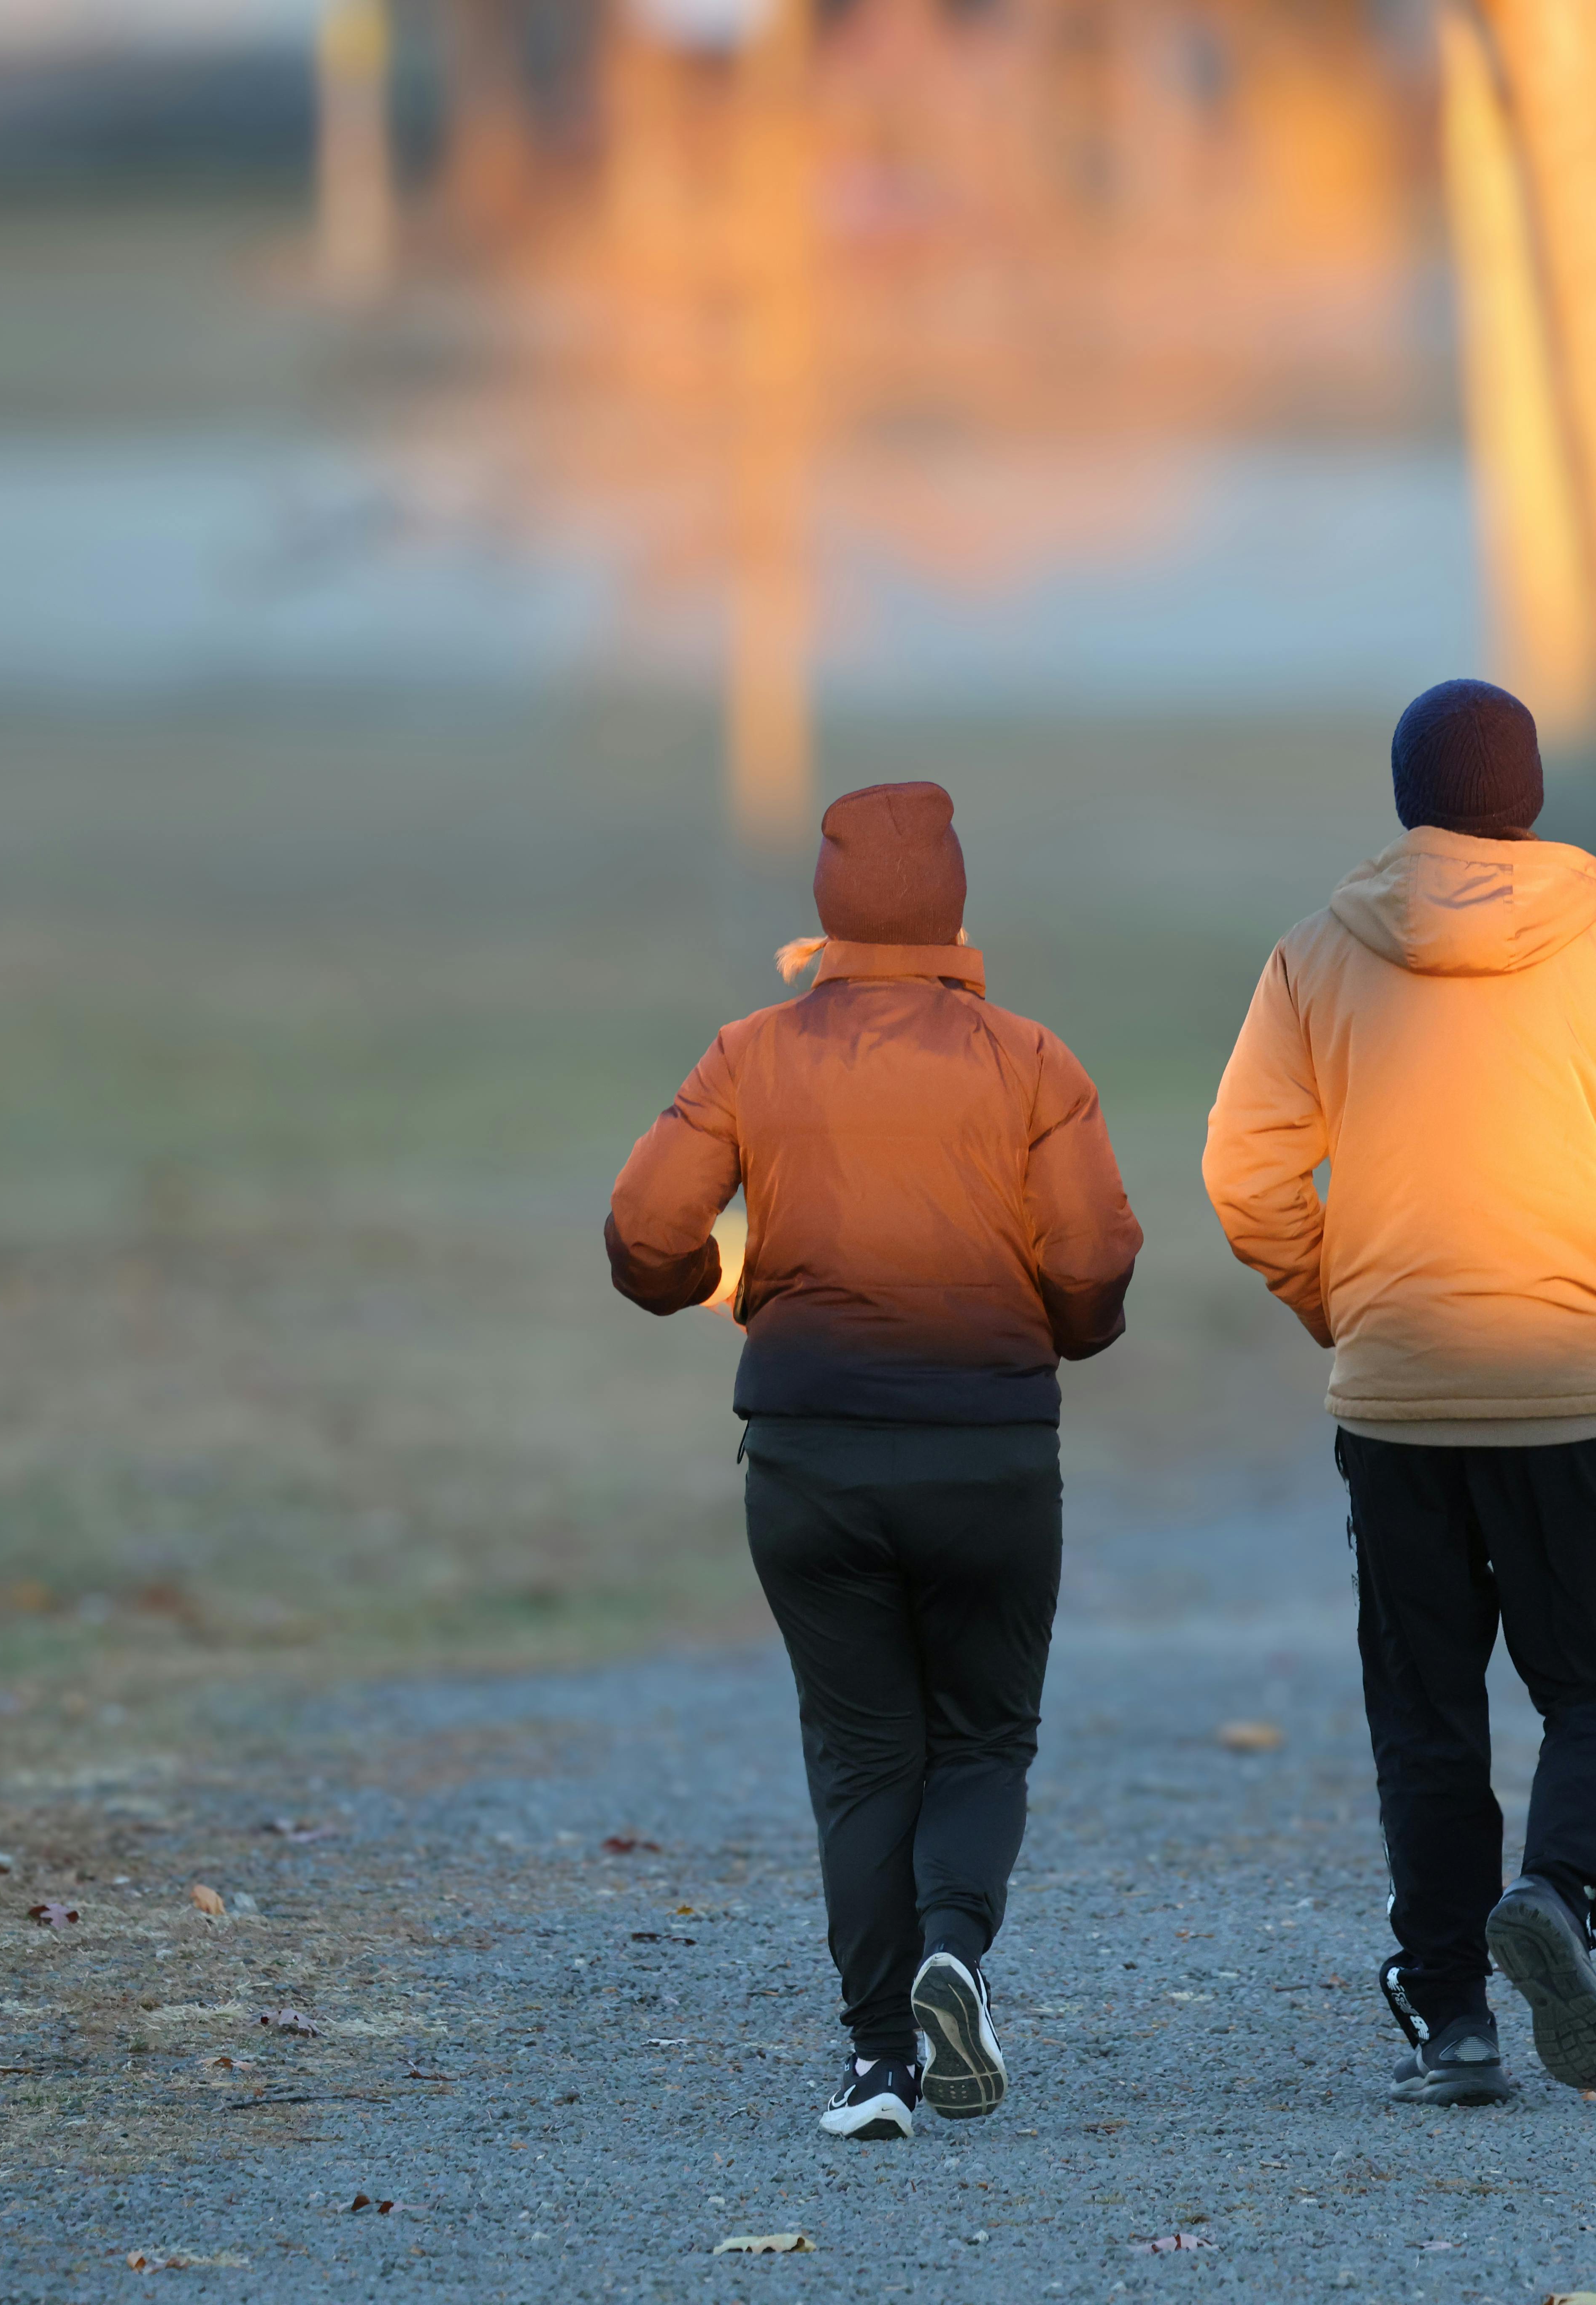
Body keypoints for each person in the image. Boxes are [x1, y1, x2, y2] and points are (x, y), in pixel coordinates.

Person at [1202, 680, 1596, 2107]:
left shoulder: (1317, 956)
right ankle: (1560, 1901)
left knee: (1427, 1709)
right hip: (1573, 1388)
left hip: (1395, 1404)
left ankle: (1452, 2014)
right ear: (1537, 797)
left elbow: (1246, 1176)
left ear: (1407, 801)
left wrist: (1351, 1308)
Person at [607, 781, 1143, 2141]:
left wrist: (709, 1283)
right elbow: (1091, 1260)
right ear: (955, 906)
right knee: (983, 1736)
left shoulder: (752, 1051)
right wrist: (1061, 1334)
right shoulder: (1033, 1059)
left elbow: (642, 1228)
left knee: (860, 1753)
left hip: (810, 1455)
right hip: (991, 1454)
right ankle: (954, 1952)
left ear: (826, 906)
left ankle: (876, 2064)